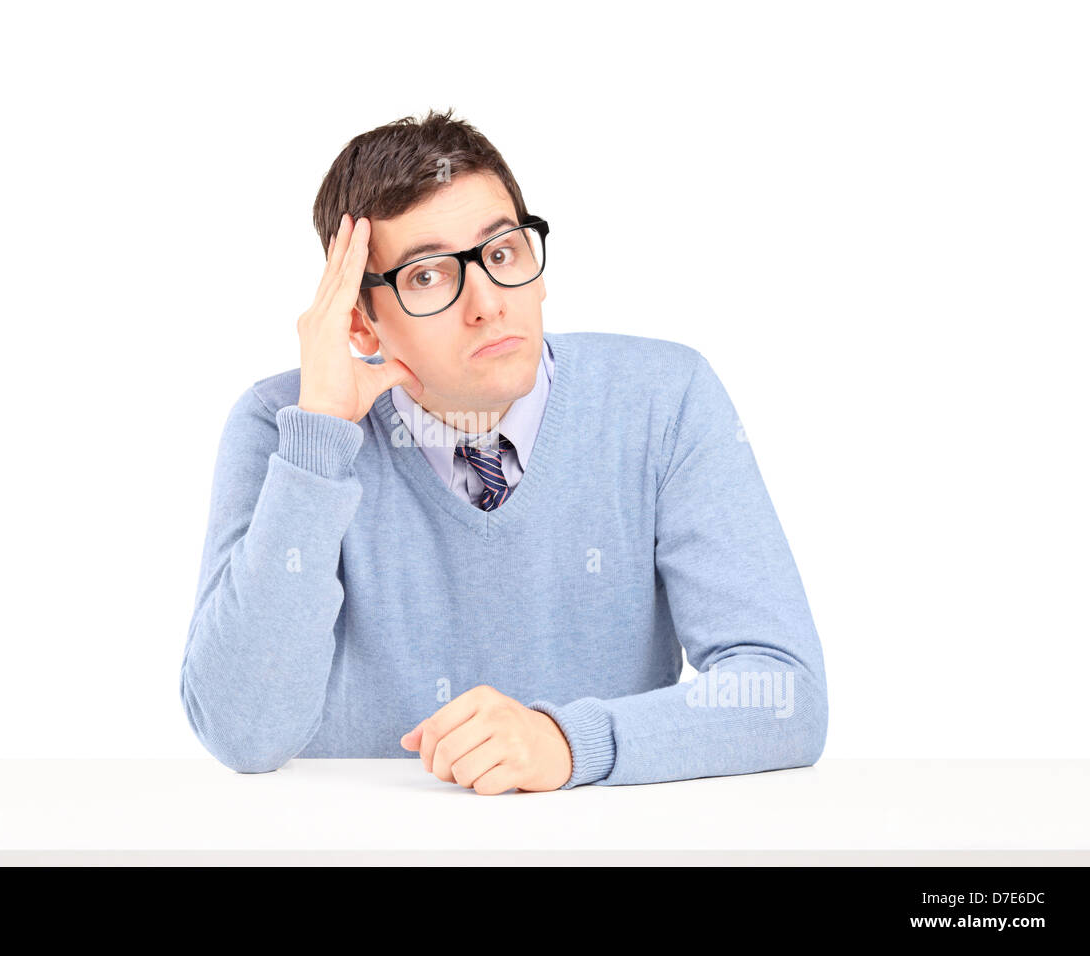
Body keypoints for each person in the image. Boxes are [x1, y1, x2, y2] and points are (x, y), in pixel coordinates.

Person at [179, 108, 827, 794]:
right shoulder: (284, 427)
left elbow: (783, 695)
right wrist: (318, 440)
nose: (487, 302)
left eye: (502, 253)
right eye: (427, 275)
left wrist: (569, 745)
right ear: (360, 324)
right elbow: (241, 732)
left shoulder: (664, 401)